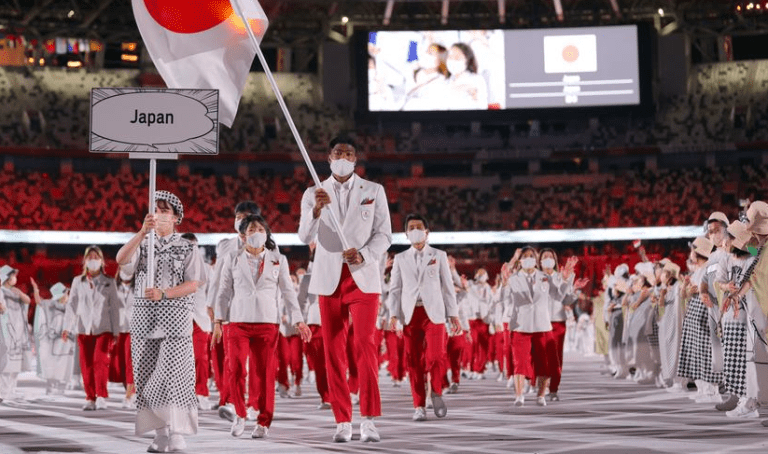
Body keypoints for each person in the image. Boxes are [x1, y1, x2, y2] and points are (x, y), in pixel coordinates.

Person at [298, 135, 392, 443]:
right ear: (329, 158)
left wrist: (364, 254)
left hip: (363, 277)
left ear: (355, 160)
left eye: (349, 154)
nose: (343, 158)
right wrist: (315, 211)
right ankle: (342, 420)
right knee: (333, 351)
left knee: (365, 345)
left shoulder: (373, 191)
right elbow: (303, 236)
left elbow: (385, 235)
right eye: (338, 153)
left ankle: (369, 419)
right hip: (328, 279)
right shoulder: (313, 192)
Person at [116, 190, 206, 453]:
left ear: (176, 218)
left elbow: (193, 283)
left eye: (165, 211)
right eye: (156, 210)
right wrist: (141, 233)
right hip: (144, 321)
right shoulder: (143, 243)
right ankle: (160, 434)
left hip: (175, 322)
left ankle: (177, 432)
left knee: (173, 376)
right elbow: (121, 261)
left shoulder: (187, 246)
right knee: (145, 377)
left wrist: (165, 293)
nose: (160, 215)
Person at [213, 214, 311, 439]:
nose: (256, 233)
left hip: (267, 322)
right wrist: (218, 320)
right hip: (238, 321)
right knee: (236, 368)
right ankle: (239, 414)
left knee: (266, 373)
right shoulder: (232, 258)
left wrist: (298, 320)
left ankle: (263, 421)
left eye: (260, 230)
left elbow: (288, 292)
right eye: (251, 230)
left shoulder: (279, 260)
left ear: (266, 234)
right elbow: (223, 291)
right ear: (243, 235)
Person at [388, 214, 460, 422]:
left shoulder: (439, 255)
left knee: (436, 356)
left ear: (427, 232)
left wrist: (453, 314)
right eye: (411, 227)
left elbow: (448, 287)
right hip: (411, 314)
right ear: (406, 233)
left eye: (419, 227)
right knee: (414, 362)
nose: (415, 230)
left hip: (434, 314)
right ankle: (419, 405)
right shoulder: (400, 258)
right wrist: (393, 314)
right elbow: (395, 289)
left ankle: (435, 391)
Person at [206, 201, 261, 419]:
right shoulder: (225, 245)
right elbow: (217, 276)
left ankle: (253, 403)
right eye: (238, 216)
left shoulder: (266, 245)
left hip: (256, 309)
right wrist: (211, 303)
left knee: (254, 360)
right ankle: (229, 400)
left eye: (245, 217)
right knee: (230, 358)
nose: (240, 220)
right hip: (230, 308)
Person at [62, 245, 121, 411]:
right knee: (86, 364)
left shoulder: (109, 282)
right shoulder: (77, 281)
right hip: (83, 328)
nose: (93, 260)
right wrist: (67, 327)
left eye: (96, 257)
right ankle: (90, 398)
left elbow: (114, 308)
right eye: (90, 257)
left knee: (100, 361)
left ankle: (101, 395)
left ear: (101, 261)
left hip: (104, 328)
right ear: (85, 261)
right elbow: (72, 305)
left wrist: (116, 330)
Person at [505, 247, 559, 407]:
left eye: (531, 256)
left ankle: (541, 395)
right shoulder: (514, 278)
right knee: (519, 362)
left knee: (543, 363)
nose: (528, 258)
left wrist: (566, 279)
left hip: (541, 325)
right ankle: (519, 395)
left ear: (536, 260)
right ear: (520, 260)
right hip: (521, 325)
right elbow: (501, 296)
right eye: (525, 256)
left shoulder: (545, 277)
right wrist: (506, 277)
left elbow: (559, 295)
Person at [539, 249, 588, 401]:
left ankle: (553, 389)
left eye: (551, 257)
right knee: (540, 356)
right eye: (545, 257)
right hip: (539, 322)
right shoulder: (535, 277)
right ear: (539, 260)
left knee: (556, 358)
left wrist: (574, 289)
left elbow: (566, 300)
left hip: (558, 321)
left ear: (555, 260)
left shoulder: (563, 275)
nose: (548, 259)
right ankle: (542, 385)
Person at [676, 235, 717, 403]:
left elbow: (712, 291)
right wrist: (687, 286)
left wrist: (698, 291)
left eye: (692, 250)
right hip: (693, 313)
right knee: (695, 352)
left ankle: (711, 391)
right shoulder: (697, 271)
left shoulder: (709, 269)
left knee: (705, 351)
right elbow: (685, 295)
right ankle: (702, 389)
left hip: (703, 312)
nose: (690, 254)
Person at [180, 233, 213, 411]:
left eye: (193, 245)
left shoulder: (206, 268)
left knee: (201, 358)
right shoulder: (174, 267)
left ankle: (202, 393)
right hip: (179, 319)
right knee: (181, 361)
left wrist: (213, 313)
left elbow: (212, 292)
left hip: (200, 319)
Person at [297, 242, 332, 410]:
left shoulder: (337, 275)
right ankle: (326, 396)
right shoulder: (307, 278)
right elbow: (300, 301)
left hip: (334, 322)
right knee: (320, 364)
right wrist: (300, 321)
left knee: (336, 362)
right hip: (315, 323)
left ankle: (340, 393)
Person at [31, 280, 73, 395]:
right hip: (52, 340)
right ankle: (51, 385)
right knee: (52, 363)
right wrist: (36, 290)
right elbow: (39, 302)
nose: (67, 296)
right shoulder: (50, 305)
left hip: (65, 340)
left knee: (63, 363)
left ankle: (59, 385)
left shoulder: (69, 307)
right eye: (66, 294)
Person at [0, 265, 32, 400]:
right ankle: (3, 392)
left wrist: (19, 293)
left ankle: (11, 390)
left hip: (18, 331)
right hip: (6, 330)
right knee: (6, 362)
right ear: (6, 278)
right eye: (12, 275)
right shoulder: (1, 291)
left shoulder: (15, 291)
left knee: (16, 363)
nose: (15, 278)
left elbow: (28, 301)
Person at [114, 265, 136, 408]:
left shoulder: (139, 287)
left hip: (134, 329)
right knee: (120, 365)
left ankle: (129, 395)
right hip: (118, 328)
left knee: (131, 362)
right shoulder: (113, 287)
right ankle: (131, 391)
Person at [445, 43, 488, 110]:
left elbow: (483, 106)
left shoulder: (477, 79)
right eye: (450, 57)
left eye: (457, 58)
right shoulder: (446, 81)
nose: (452, 60)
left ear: (467, 60)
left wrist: (474, 96)